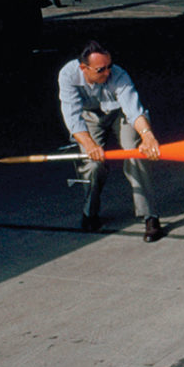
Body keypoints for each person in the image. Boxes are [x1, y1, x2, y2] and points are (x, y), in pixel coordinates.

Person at [57, 40, 164, 242]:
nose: (107, 73)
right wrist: (89, 145)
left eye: (109, 66)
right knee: (92, 165)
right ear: (83, 68)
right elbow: (72, 116)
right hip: (89, 118)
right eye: (100, 69)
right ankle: (90, 212)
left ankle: (150, 217)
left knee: (136, 152)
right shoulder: (67, 75)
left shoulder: (119, 74)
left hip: (119, 114)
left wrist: (148, 136)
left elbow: (133, 109)